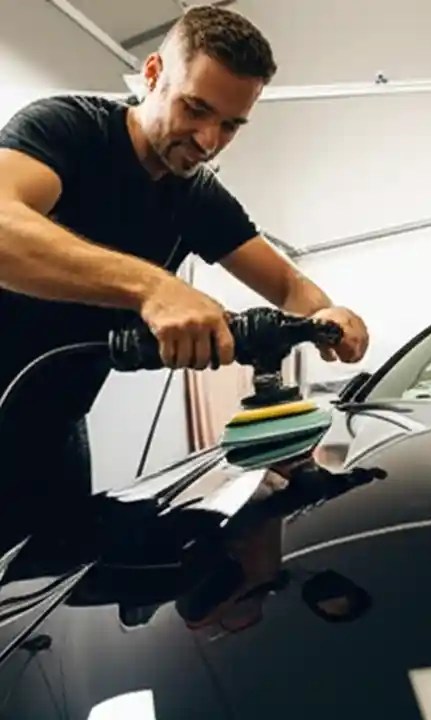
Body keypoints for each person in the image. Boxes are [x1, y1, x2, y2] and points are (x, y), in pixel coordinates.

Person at [0, 6, 368, 514]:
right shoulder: (69, 129)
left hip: (55, 427)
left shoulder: (197, 197)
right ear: (152, 75)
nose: (208, 141)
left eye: (231, 125)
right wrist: (155, 289)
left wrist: (329, 317)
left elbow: (291, 289)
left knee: (47, 584)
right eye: (194, 109)